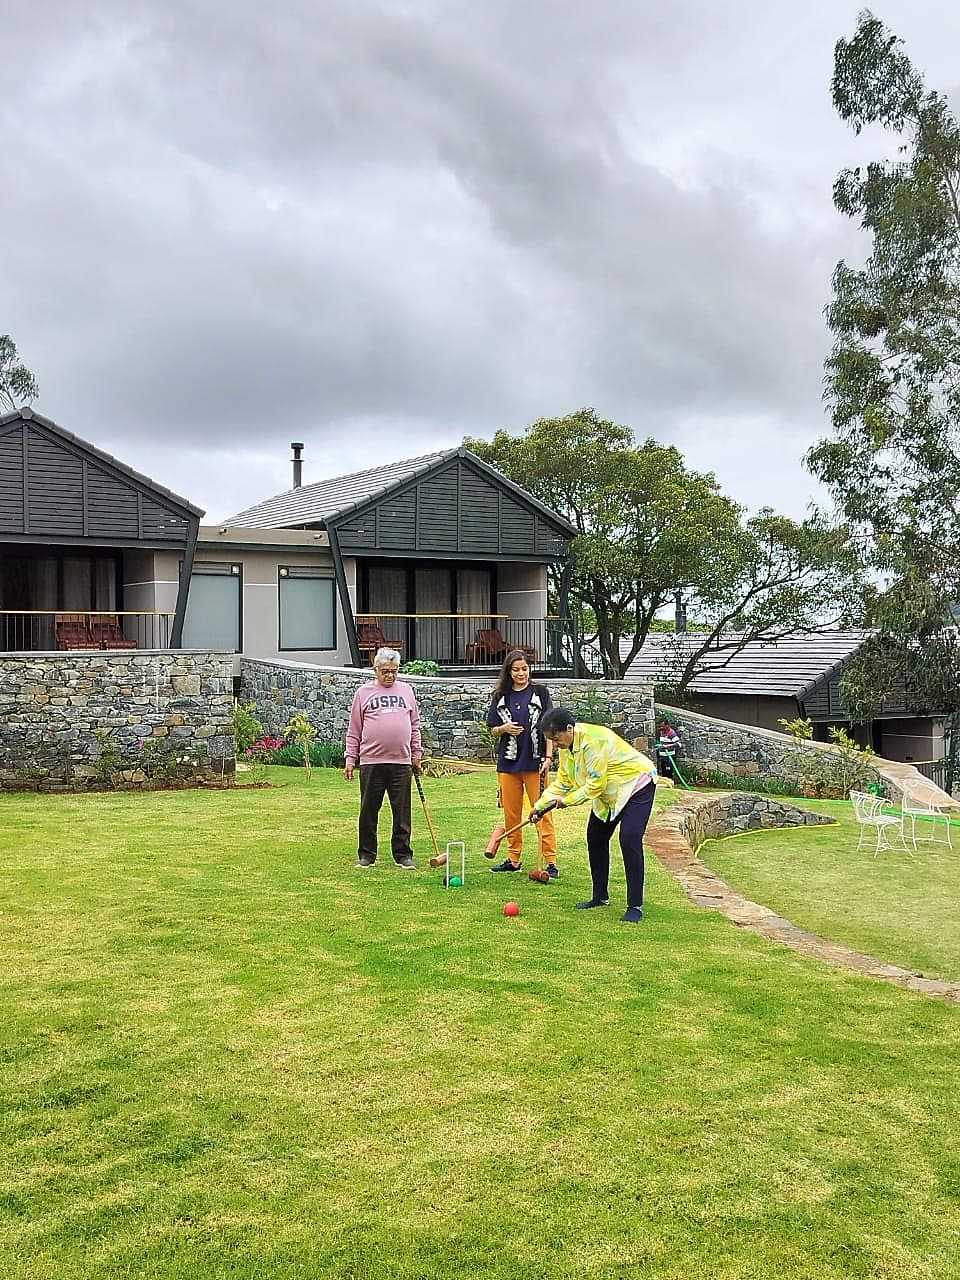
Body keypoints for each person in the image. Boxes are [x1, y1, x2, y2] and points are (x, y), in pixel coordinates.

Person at [531, 708, 656, 923]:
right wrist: (539, 806)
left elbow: (595, 786)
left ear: (569, 729)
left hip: (636, 785)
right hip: (609, 794)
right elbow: (563, 782)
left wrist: (566, 801)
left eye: (555, 737)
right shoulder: (566, 747)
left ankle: (635, 906)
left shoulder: (594, 741)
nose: (554, 743)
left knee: (629, 839)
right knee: (595, 838)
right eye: (550, 739)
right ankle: (600, 896)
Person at [344, 647, 422, 869]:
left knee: (402, 811)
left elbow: (415, 725)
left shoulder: (407, 691)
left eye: (394, 671)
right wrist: (351, 759)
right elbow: (354, 729)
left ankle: (403, 854)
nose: (390, 676)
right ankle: (367, 854)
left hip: (401, 761)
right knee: (369, 810)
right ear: (375, 669)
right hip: (371, 761)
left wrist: (416, 753)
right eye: (385, 671)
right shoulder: (363, 693)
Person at [485, 649, 558, 877]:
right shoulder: (500, 696)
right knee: (511, 814)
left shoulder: (540, 692)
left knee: (542, 811)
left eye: (524, 669)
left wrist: (548, 757)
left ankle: (551, 862)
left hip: (535, 762)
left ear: (530, 669)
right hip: (508, 763)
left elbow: (550, 728)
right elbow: (493, 729)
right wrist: (504, 728)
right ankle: (513, 858)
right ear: (509, 671)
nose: (521, 673)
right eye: (516, 670)